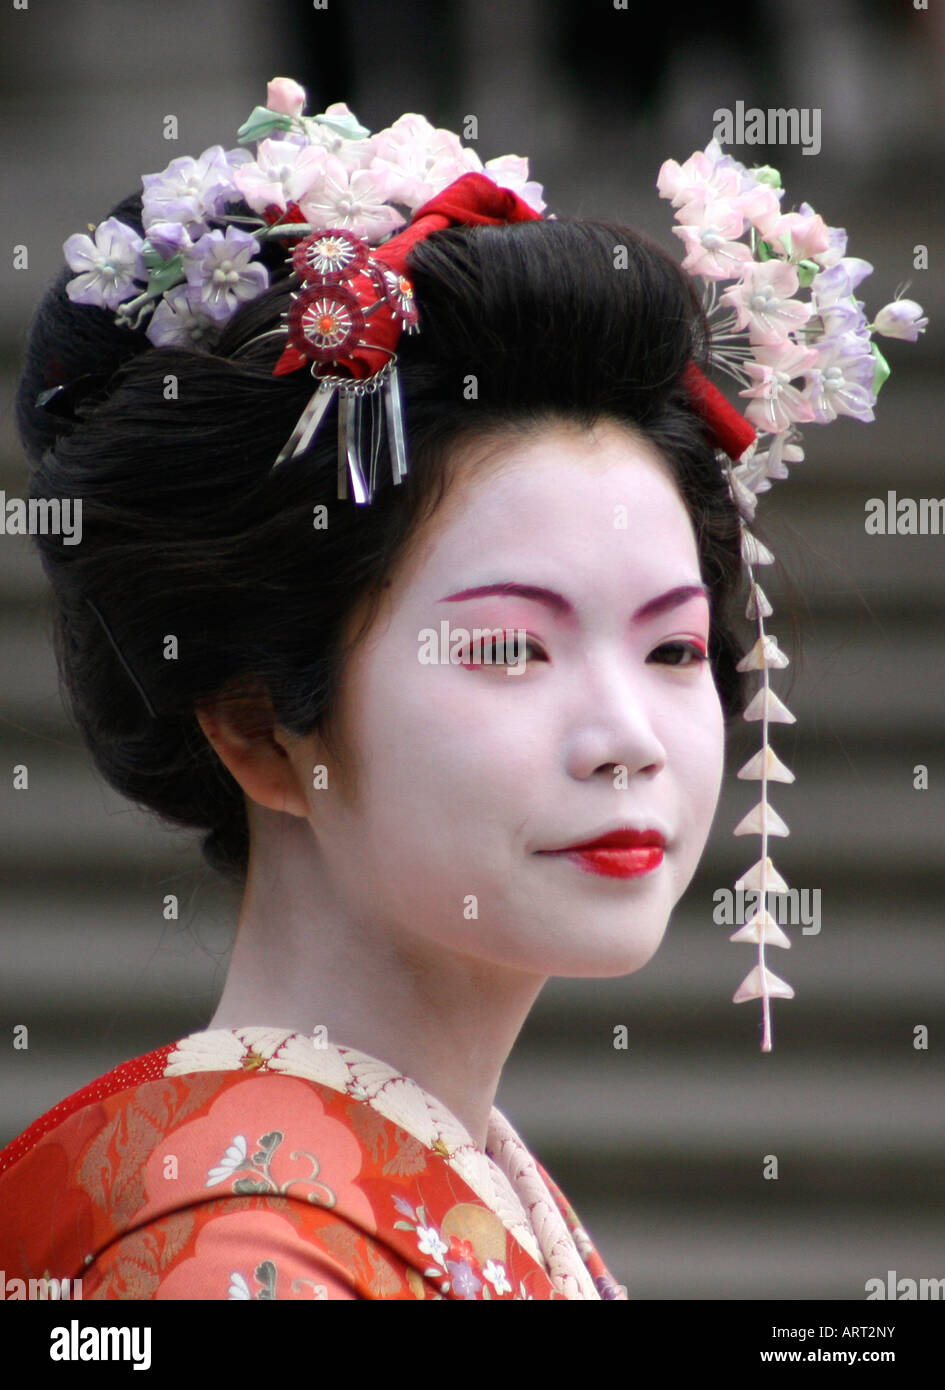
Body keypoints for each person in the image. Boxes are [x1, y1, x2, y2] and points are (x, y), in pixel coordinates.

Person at [0, 80, 922, 1301]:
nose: (625, 740)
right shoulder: (234, 1255)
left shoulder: (432, 1169)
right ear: (261, 726)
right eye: (508, 651)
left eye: (673, 649)